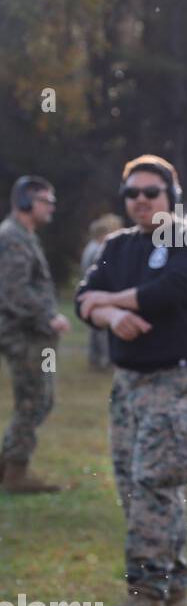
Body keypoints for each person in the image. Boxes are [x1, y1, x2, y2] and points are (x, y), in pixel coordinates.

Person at [75, 155, 187, 606]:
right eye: (132, 193)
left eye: (151, 192)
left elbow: (172, 291)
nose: (140, 200)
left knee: (154, 484)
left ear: (171, 196)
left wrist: (106, 302)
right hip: (128, 383)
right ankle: (173, 590)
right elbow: (82, 297)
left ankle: (144, 602)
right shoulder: (116, 246)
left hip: (174, 381)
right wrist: (109, 317)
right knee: (135, 488)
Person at [0, 175, 69, 493]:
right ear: (27, 202)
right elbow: (13, 291)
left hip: (41, 340)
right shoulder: (12, 237)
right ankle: (15, 472)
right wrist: (48, 316)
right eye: (46, 201)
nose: (52, 208)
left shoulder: (24, 236)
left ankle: (8, 465)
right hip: (26, 338)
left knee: (42, 398)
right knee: (34, 400)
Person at [81, 214, 124, 370]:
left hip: (94, 293)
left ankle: (95, 359)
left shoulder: (90, 247)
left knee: (95, 331)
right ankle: (105, 361)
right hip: (99, 293)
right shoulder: (97, 249)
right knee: (102, 332)